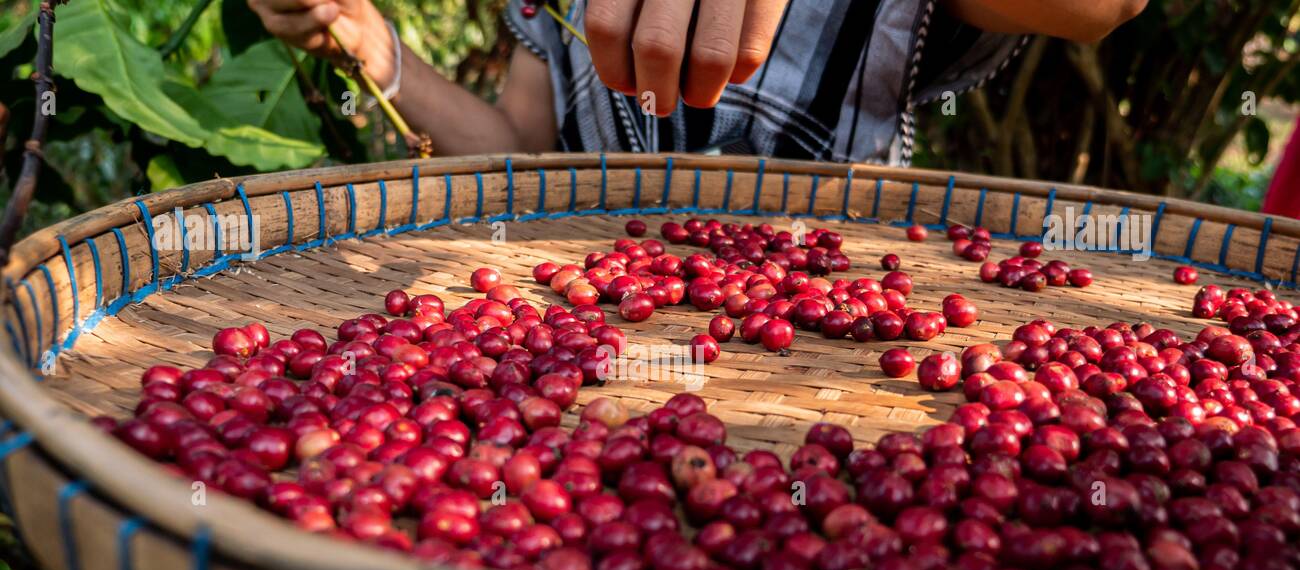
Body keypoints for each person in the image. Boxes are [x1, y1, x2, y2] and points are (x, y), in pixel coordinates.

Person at [248, 0, 1147, 165]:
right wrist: (379, 52)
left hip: (827, 350)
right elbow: (522, 149)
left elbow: (1101, 2)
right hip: (603, 329)